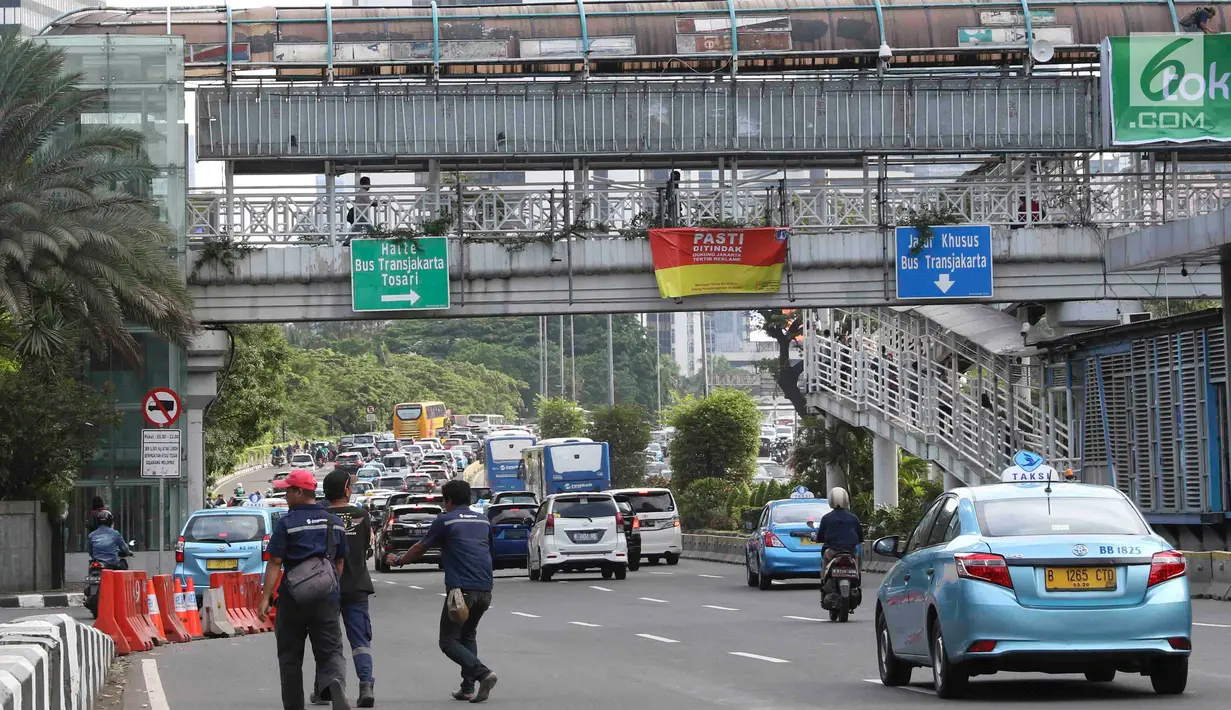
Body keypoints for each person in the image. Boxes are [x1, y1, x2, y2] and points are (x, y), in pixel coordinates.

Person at [387, 480, 498, 703]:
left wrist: (399, 560)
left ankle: (483, 673)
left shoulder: (446, 520)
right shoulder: (483, 520)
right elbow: (488, 549)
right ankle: (467, 688)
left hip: (461, 592)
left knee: (447, 641)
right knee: (468, 634)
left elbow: (420, 548)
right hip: (485, 589)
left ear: (448, 501)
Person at [257, 469, 351, 710]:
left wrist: (266, 597)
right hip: (326, 598)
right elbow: (339, 562)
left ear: (299, 492)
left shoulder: (287, 524)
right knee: (330, 651)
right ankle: (335, 682)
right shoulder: (335, 522)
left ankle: (294, 706)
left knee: (290, 658)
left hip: (293, 598)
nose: (285, 494)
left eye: (288, 490)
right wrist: (330, 588)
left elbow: (275, 563)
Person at [317, 470, 377, 707]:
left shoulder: (319, 518)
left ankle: (325, 687)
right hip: (357, 585)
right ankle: (366, 685)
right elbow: (363, 549)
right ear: (345, 489)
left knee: (326, 639)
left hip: (325, 587)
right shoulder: (362, 515)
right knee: (360, 639)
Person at [814, 487, 862, 567]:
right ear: (846, 500)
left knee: (825, 560)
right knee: (856, 559)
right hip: (851, 551)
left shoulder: (826, 518)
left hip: (833, 551)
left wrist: (818, 539)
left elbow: (820, 537)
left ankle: (823, 577)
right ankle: (857, 574)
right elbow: (860, 536)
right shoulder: (854, 518)